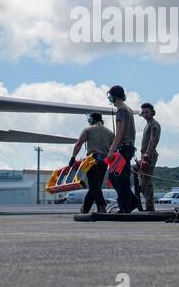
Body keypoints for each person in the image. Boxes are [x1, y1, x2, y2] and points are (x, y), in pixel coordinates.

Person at [69, 112, 113, 214]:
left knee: (94, 185)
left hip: (92, 160)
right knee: (96, 186)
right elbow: (113, 147)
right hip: (105, 161)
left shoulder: (88, 129)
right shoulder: (110, 132)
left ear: (92, 120)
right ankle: (85, 208)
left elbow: (79, 143)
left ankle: (101, 207)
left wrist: (73, 157)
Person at [106, 84, 140, 213]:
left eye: (110, 97)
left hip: (123, 148)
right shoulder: (128, 109)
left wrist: (111, 150)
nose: (110, 100)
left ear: (115, 97)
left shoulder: (121, 110)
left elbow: (119, 132)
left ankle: (125, 206)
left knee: (118, 177)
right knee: (119, 177)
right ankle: (131, 201)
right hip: (128, 148)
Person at [136, 103, 161, 211]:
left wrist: (146, 155)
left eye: (147, 112)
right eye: (143, 112)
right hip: (144, 154)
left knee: (146, 180)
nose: (145, 114)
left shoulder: (154, 124)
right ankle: (146, 204)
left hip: (149, 154)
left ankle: (149, 206)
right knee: (142, 180)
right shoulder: (148, 124)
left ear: (152, 112)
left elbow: (153, 139)